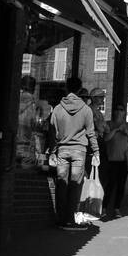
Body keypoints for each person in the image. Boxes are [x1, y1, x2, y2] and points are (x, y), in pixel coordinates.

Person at [49, 77, 100, 230]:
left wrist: (52, 151)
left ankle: (61, 219)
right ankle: (70, 219)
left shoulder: (58, 108)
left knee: (61, 185)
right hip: (79, 151)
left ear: (66, 88)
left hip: (62, 150)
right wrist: (96, 151)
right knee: (75, 185)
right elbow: (91, 133)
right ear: (79, 89)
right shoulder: (86, 109)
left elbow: (52, 131)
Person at [103, 105, 128, 218]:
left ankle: (117, 208)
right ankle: (104, 208)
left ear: (124, 113)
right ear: (114, 112)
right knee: (109, 185)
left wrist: (126, 132)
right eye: (117, 109)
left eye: (121, 110)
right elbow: (106, 138)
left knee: (121, 186)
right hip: (110, 160)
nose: (118, 112)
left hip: (123, 161)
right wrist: (116, 129)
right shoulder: (108, 124)